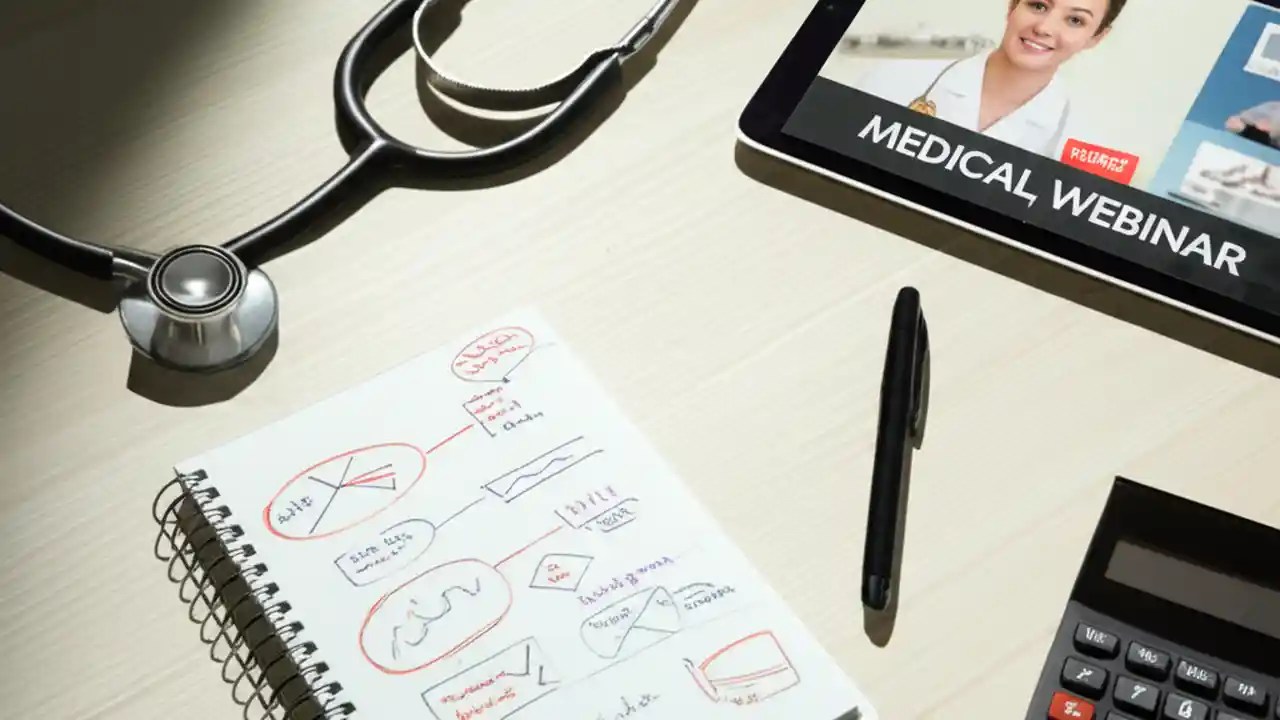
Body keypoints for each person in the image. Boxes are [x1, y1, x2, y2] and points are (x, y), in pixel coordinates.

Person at [855, 0, 1126, 159]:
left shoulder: (1083, 143)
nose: (1044, 28)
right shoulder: (899, 77)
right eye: (1038, 5)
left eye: (1075, 20)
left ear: (1096, 38)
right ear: (1012, 6)